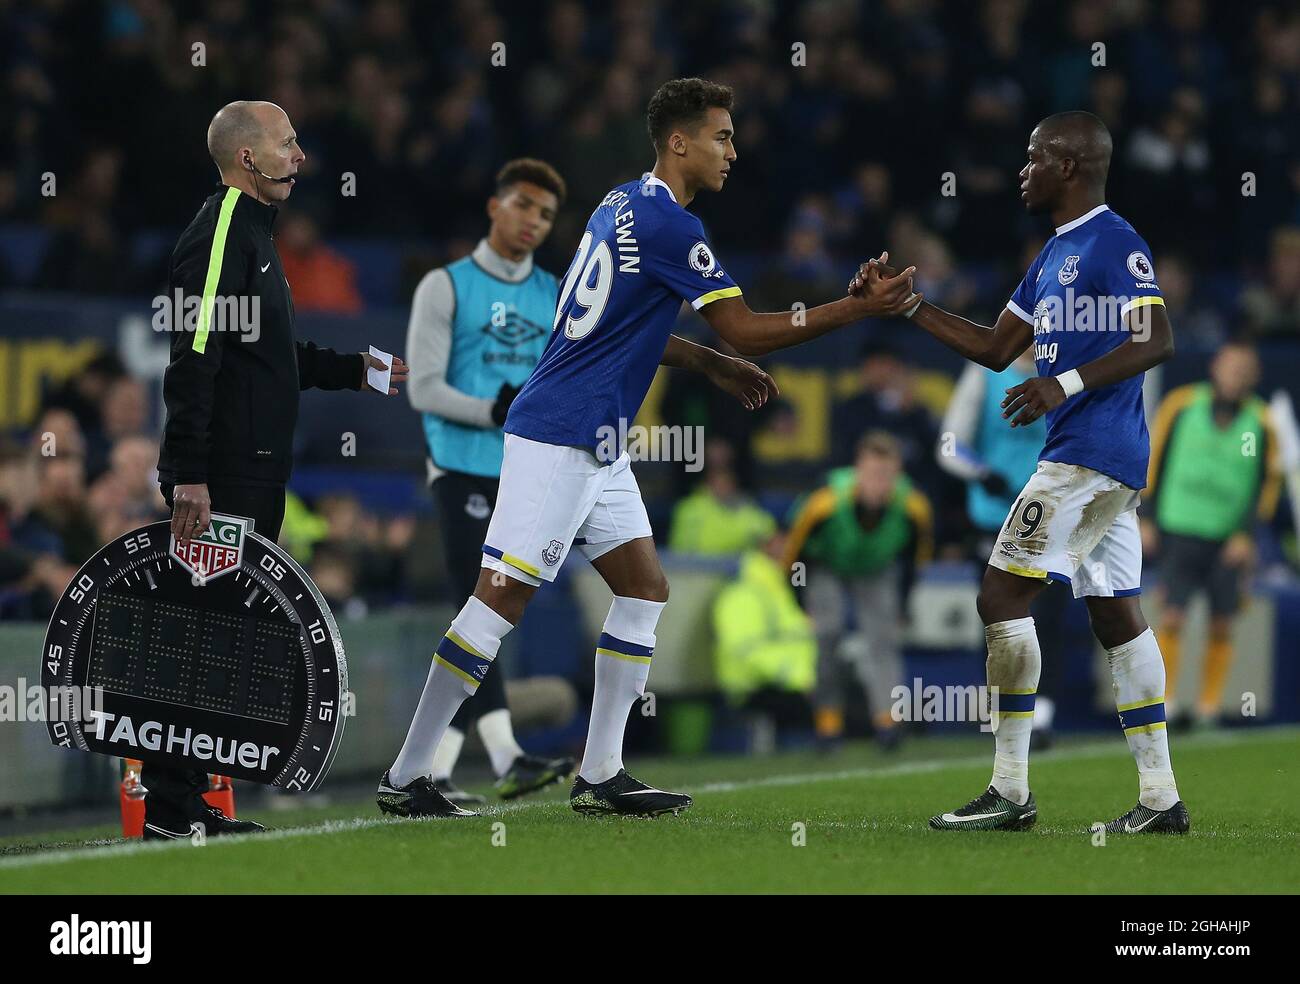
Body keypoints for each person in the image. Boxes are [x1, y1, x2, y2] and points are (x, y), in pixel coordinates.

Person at [380, 77, 917, 820]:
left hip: (596, 439)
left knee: (643, 588)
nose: (733, 150)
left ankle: (600, 772)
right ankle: (408, 774)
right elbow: (750, 328)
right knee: (500, 599)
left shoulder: (617, 202)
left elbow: (610, 323)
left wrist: (703, 361)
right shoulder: (675, 230)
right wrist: (857, 306)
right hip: (561, 432)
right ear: (679, 141)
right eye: (722, 136)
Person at [855, 110, 1189, 834]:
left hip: (1090, 456)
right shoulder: (1050, 257)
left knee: (1000, 594)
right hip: (1095, 461)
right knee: (1114, 611)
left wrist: (1061, 384)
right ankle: (1161, 799)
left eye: (1034, 156)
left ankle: (1009, 789)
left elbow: (1157, 336)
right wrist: (907, 304)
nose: (1022, 170)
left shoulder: (1114, 239)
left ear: (1068, 166)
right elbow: (993, 345)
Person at [150, 100, 407, 842]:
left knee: (222, 635)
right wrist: (190, 473)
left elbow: (271, 362)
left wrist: (356, 370)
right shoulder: (226, 228)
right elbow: (193, 353)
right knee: (201, 634)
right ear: (247, 159)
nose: (301, 156)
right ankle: (170, 805)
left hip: (251, 473)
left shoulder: (256, 236)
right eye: (287, 144)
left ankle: (185, 802)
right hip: (223, 477)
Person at [406, 158, 576, 805]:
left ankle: (439, 767)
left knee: (486, 617)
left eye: (545, 214)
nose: (533, 221)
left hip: (525, 474)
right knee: (480, 607)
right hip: (460, 466)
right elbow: (422, 387)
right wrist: (491, 410)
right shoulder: (445, 287)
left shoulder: (557, 293)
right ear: (493, 206)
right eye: (524, 205)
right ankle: (507, 757)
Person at [936, 350, 1071, 749]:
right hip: (996, 517)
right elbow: (948, 444)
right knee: (999, 616)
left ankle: (1041, 714)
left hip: (1052, 514)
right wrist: (981, 473)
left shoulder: (1066, 375)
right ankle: (1003, 710)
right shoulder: (985, 374)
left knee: (1048, 616)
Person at [1144, 340, 1282, 726]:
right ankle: (1166, 700)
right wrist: (1148, 517)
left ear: (1255, 375)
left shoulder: (1259, 422)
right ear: (1215, 367)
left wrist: (1246, 534)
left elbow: (1264, 482)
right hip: (1179, 527)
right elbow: (1157, 457)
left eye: (1245, 368)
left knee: (1222, 621)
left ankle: (1208, 706)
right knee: (1172, 614)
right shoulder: (1182, 405)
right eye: (1231, 365)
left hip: (1227, 537)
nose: (1237, 375)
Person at [783, 431, 932, 749]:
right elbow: (794, 553)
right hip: (826, 564)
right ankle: (827, 723)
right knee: (828, 633)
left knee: (883, 639)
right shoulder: (825, 501)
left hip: (876, 567)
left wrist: (902, 606)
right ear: (857, 471)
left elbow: (913, 561)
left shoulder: (913, 507)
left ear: (898, 473)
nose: (879, 482)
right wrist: (800, 601)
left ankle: (888, 724)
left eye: (886, 474)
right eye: (872, 473)